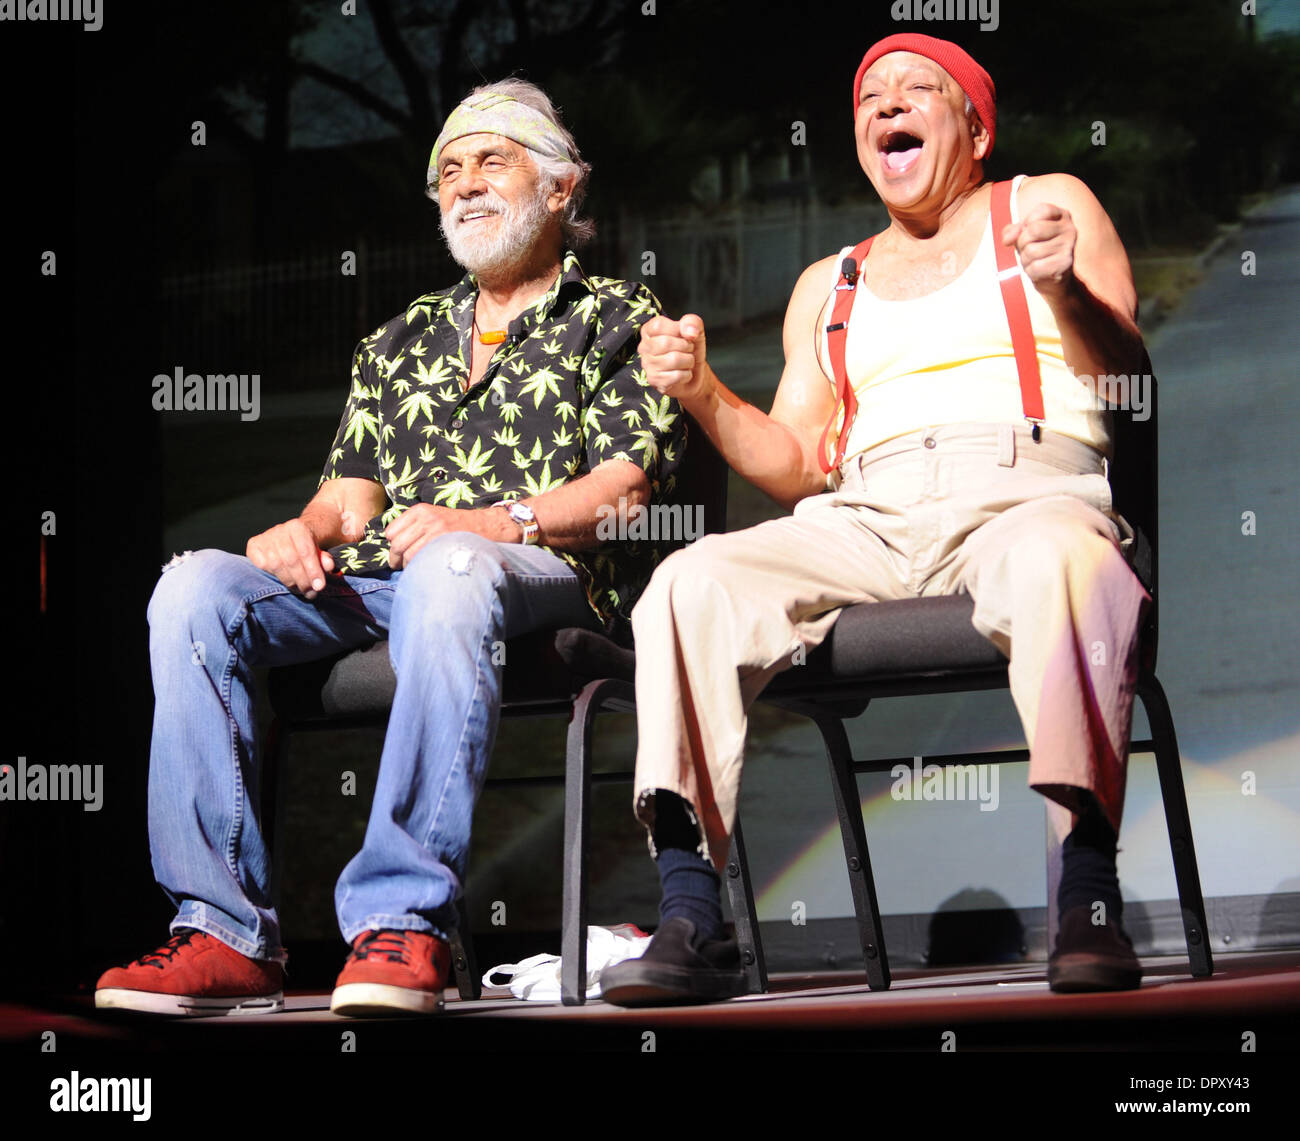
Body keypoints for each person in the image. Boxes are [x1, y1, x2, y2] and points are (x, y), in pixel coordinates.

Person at [96, 79, 685, 1018]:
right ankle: (224, 931)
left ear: (562, 188)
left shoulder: (620, 316)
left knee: (451, 568)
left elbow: (624, 492)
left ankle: (407, 919)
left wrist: (488, 524)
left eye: (493, 160)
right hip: (395, 580)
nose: (465, 184)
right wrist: (308, 529)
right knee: (191, 587)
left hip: (545, 574)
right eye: (448, 170)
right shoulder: (401, 336)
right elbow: (353, 491)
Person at [600, 33, 1151, 1006]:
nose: (884, 105)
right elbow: (799, 461)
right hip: (865, 510)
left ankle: (1086, 891)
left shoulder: (1046, 208)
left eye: (914, 90)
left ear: (973, 127)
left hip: (1023, 492)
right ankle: (691, 909)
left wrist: (1061, 289)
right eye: (868, 96)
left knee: (1069, 563)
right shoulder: (830, 283)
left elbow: (1129, 388)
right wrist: (703, 393)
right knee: (690, 582)